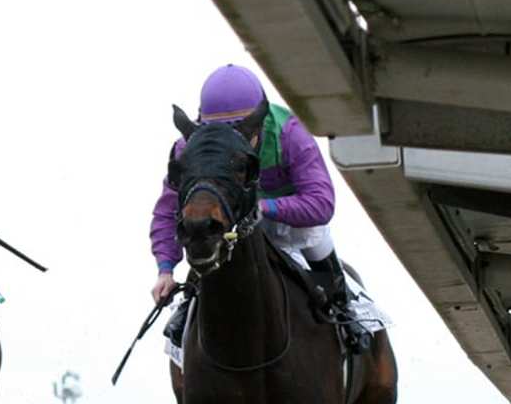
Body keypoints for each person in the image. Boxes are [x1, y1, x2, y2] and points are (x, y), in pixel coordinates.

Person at [150, 64, 371, 351]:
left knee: (316, 238)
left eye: (240, 131)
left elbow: (321, 202)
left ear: (259, 122)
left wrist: (264, 207)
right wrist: (165, 269)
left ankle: (343, 307)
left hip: (290, 219)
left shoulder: (290, 133)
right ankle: (187, 308)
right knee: (204, 243)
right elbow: (169, 211)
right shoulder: (189, 147)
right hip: (229, 221)